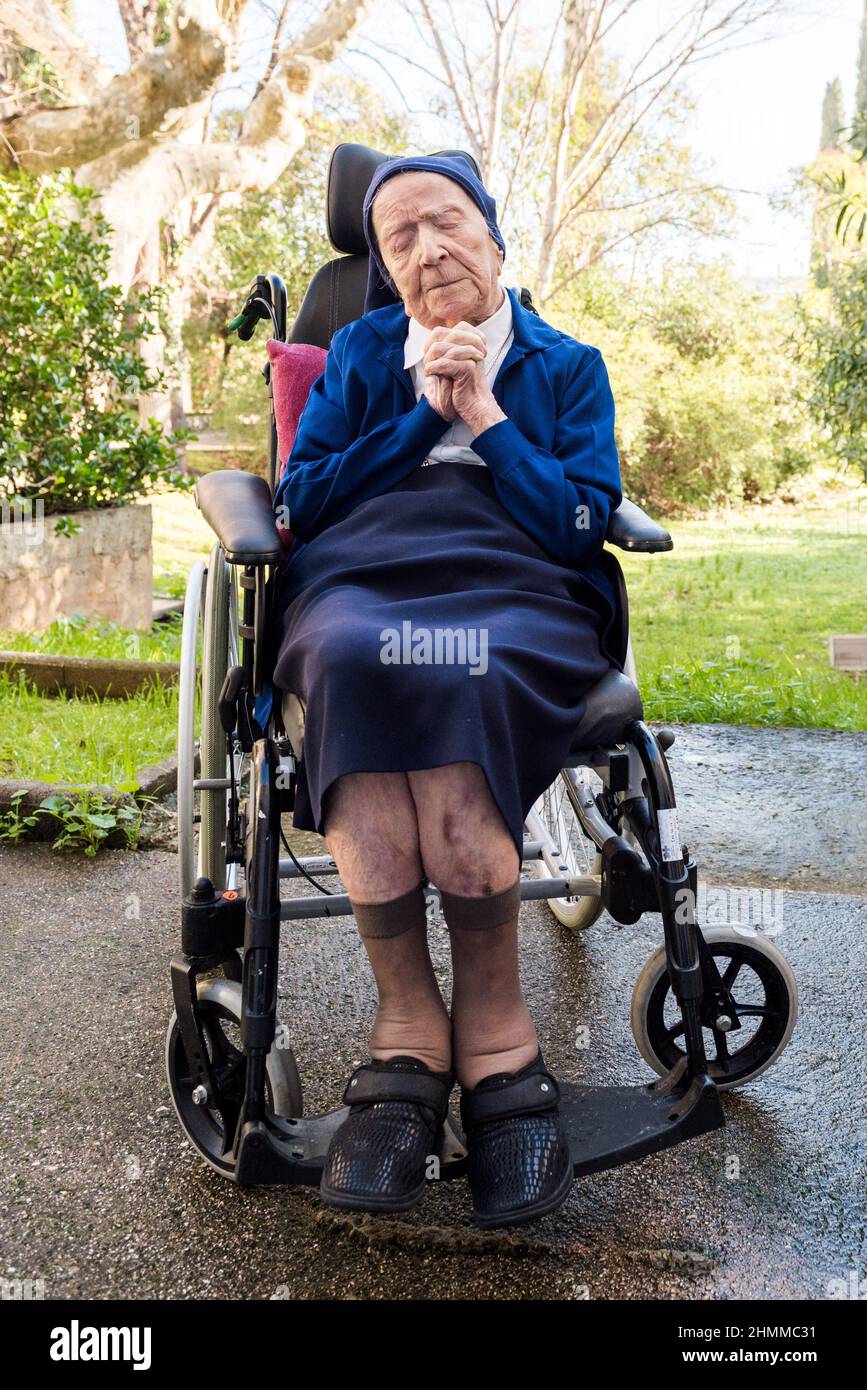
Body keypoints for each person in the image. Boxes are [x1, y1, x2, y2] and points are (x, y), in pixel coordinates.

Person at [270, 153, 623, 1228]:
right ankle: (410, 1028)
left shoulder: (567, 364)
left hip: (519, 587)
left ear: (494, 235)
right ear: (382, 267)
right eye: (399, 239)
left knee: (461, 666)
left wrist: (490, 414)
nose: (428, 250)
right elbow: (307, 502)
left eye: (447, 222)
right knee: (352, 656)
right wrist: (425, 412)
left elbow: (577, 521)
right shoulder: (362, 354)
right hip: (365, 577)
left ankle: (500, 1036)